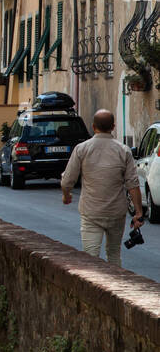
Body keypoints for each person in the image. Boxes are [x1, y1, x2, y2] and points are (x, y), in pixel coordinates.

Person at [60, 109, 143, 266]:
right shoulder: (123, 151)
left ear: (93, 126)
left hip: (91, 212)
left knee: (90, 257)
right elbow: (133, 184)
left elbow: (67, 181)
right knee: (114, 253)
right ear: (113, 126)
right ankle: (115, 287)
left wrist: (66, 195)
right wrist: (138, 213)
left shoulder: (82, 149)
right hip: (116, 212)